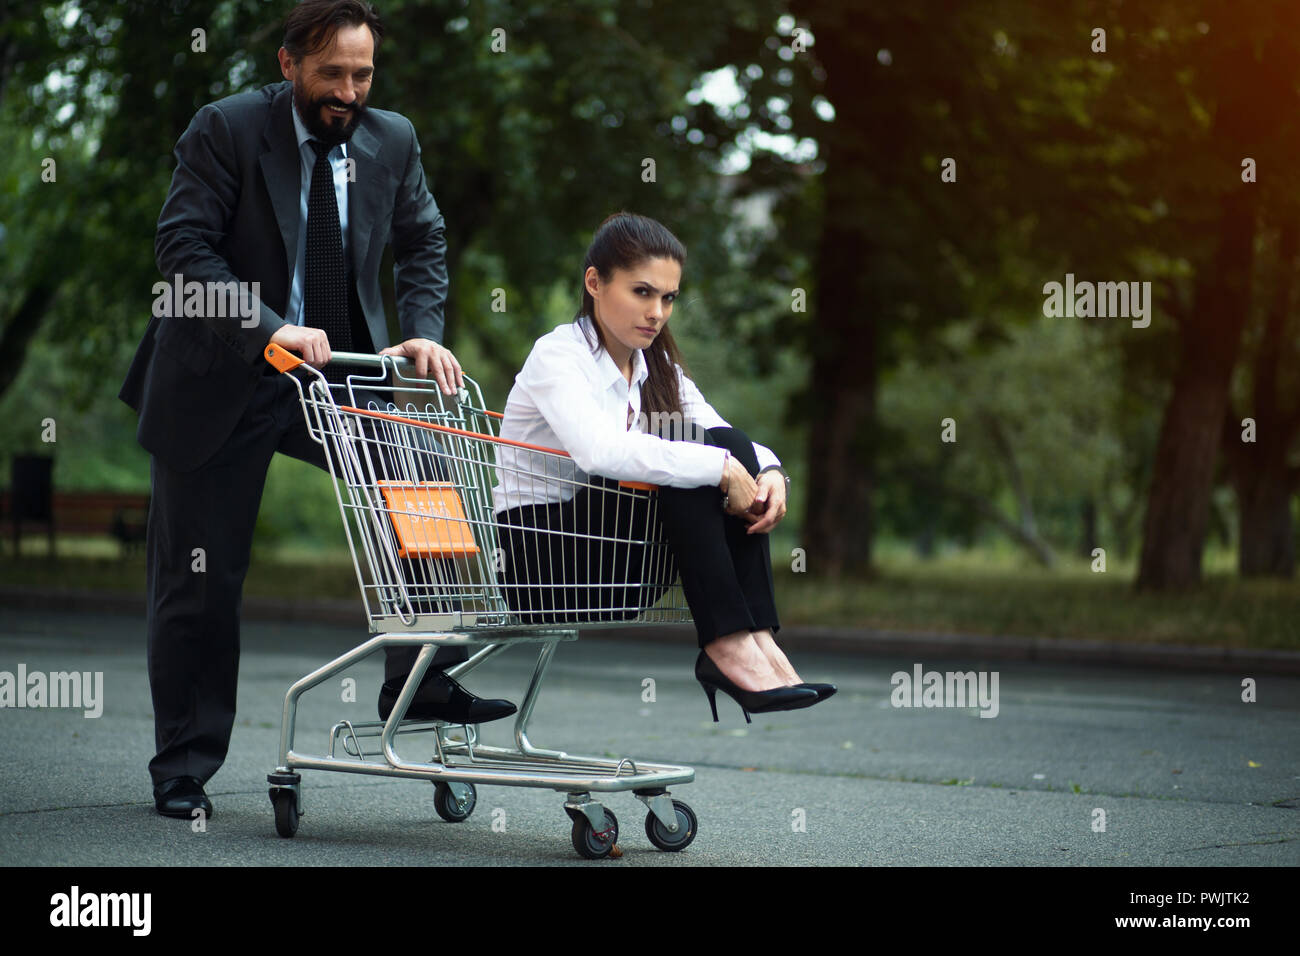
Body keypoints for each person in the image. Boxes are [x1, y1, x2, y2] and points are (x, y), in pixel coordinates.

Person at [119, 0, 514, 821]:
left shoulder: (391, 140)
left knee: (424, 483)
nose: (348, 91)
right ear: (288, 63)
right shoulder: (225, 130)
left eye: (362, 74)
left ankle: (420, 680)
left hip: (342, 378)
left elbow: (426, 240)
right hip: (222, 374)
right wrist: (271, 328)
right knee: (201, 579)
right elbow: (181, 253)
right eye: (331, 73)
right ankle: (184, 768)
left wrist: (423, 335)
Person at [492, 212, 835, 722]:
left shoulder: (657, 368)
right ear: (595, 283)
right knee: (694, 460)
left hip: (619, 559)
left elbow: (724, 435)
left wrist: (771, 474)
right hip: (544, 560)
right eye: (642, 292)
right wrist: (717, 466)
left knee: (712, 446)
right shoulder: (557, 356)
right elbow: (601, 454)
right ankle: (728, 645)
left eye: (668, 298)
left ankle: (755, 636)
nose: (657, 312)